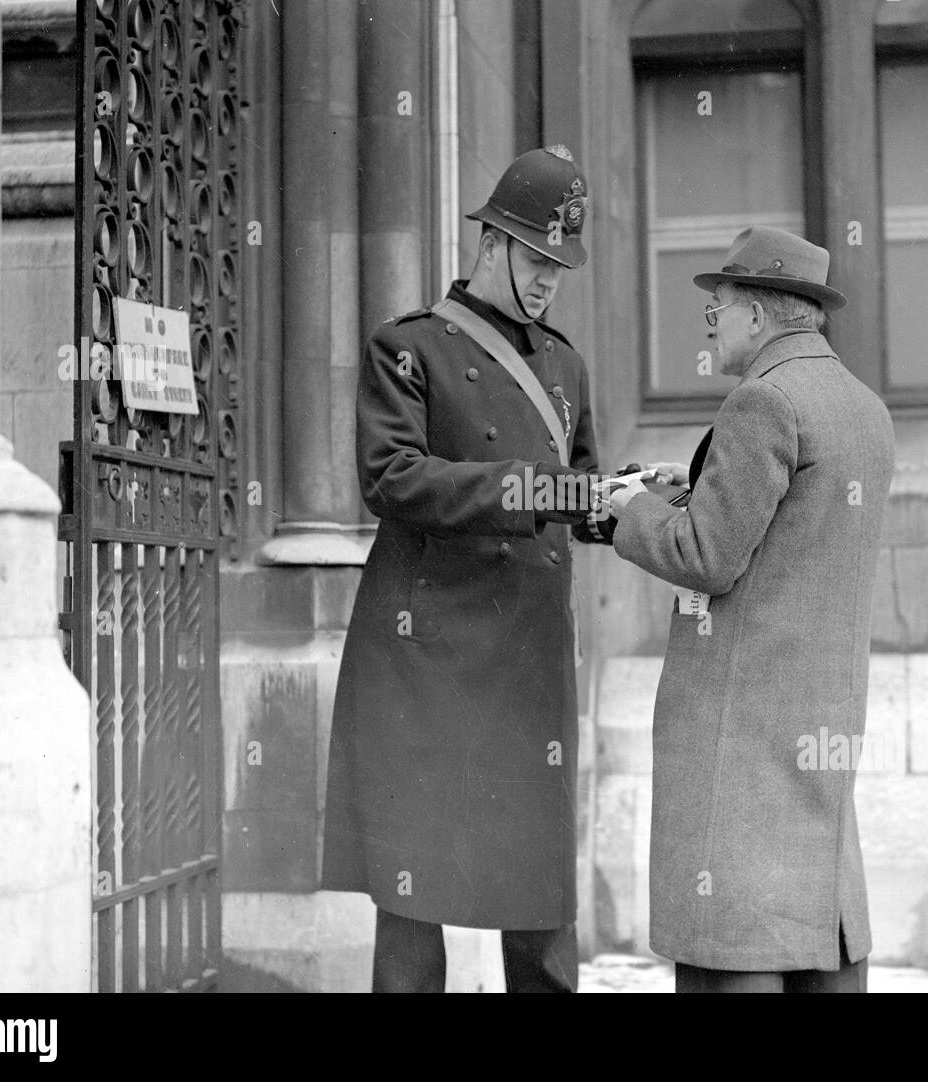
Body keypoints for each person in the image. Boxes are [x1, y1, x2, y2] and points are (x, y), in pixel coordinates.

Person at [321, 146, 605, 993]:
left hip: (526, 663)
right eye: (538, 257)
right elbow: (391, 478)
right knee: (413, 902)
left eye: (561, 264)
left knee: (542, 905)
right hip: (426, 660)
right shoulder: (407, 349)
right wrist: (538, 489)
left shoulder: (566, 366)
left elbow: (578, 494)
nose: (551, 279)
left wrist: (627, 496)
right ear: (491, 242)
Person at [607, 226, 895, 993]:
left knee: (730, 948)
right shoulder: (864, 408)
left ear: (760, 316)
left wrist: (625, 513)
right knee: (814, 941)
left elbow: (706, 556)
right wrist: (687, 481)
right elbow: (789, 529)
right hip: (815, 729)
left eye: (719, 308)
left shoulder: (761, 401)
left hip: (737, 741)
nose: (713, 325)